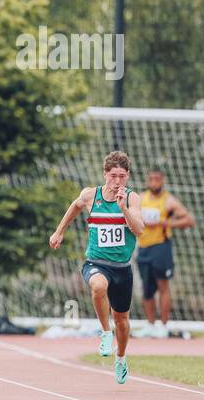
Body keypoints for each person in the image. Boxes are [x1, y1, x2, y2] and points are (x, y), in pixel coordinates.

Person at [49, 151, 145, 384]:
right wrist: (59, 231)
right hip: (96, 262)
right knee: (98, 286)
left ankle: (120, 358)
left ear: (128, 176)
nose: (118, 181)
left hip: (122, 267)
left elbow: (139, 229)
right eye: (113, 176)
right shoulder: (91, 195)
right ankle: (104, 332)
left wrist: (123, 209)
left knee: (122, 320)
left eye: (122, 176)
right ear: (105, 175)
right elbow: (75, 206)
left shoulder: (132, 199)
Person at [136, 168, 194, 337]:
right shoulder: (140, 198)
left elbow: (189, 219)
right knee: (146, 288)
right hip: (143, 247)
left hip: (161, 246)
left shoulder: (169, 201)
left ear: (162, 180)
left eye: (157, 179)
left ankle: (163, 324)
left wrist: (164, 223)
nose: (154, 182)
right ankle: (150, 324)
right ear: (147, 181)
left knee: (163, 285)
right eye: (151, 179)